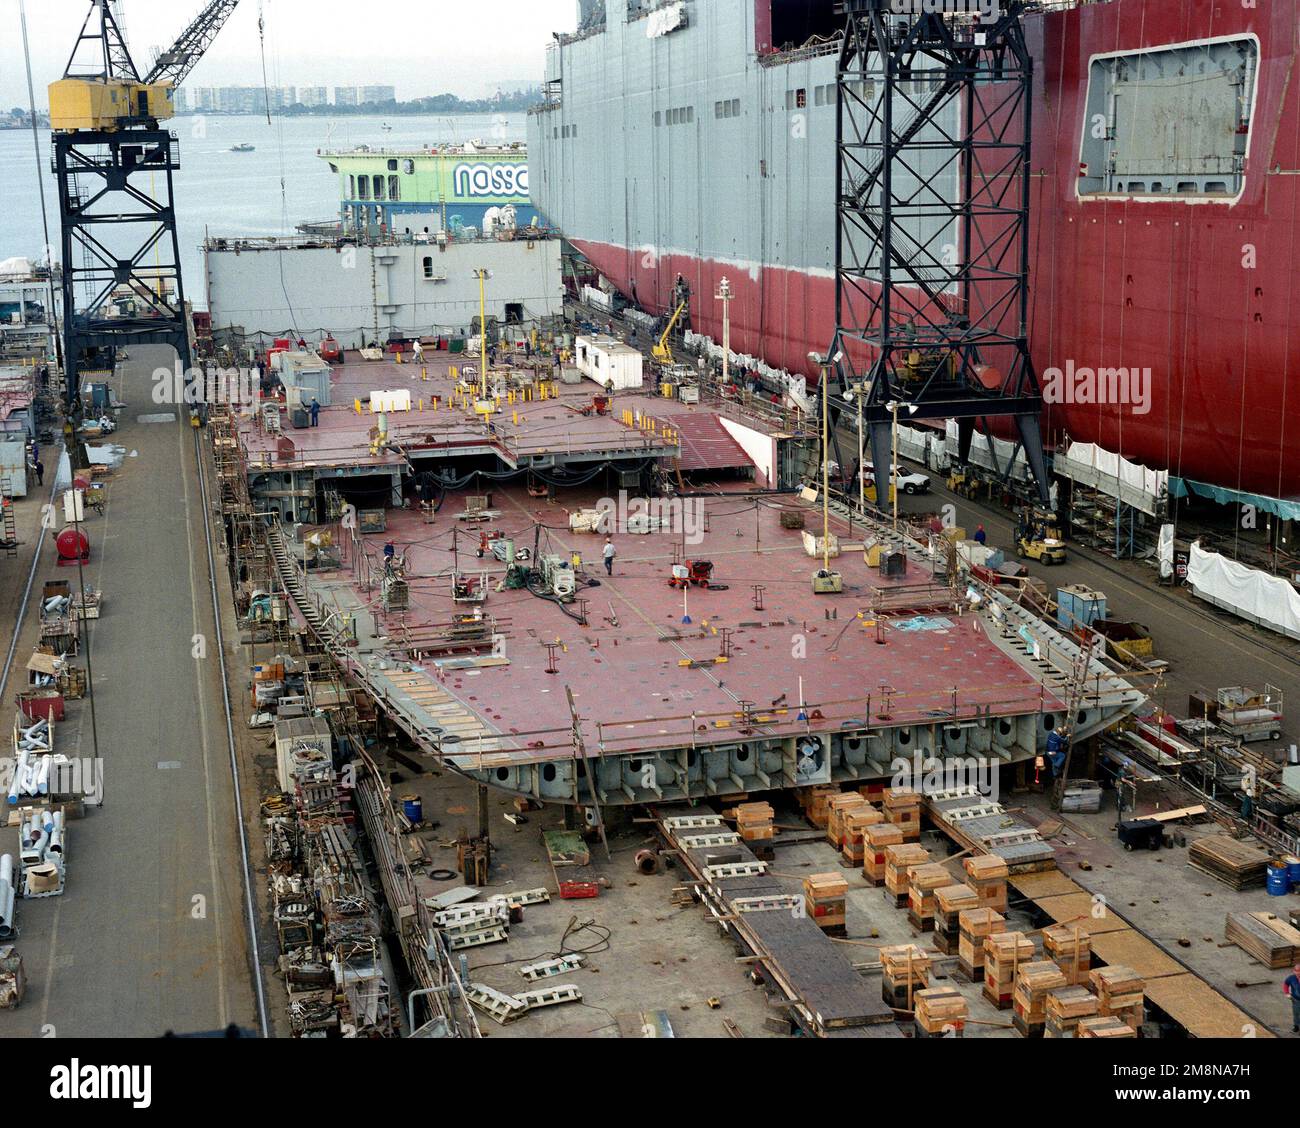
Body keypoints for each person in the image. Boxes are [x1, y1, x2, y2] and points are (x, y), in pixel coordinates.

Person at [1285, 963, 1300, 1033]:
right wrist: (1287, 993)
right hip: (1296, 1000)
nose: (1298, 973)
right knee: (1296, 1014)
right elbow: (1286, 983)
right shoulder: (1291, 978)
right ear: (1294, 971)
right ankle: (1296, 1026)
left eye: (1299, 971)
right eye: (1296, 971)